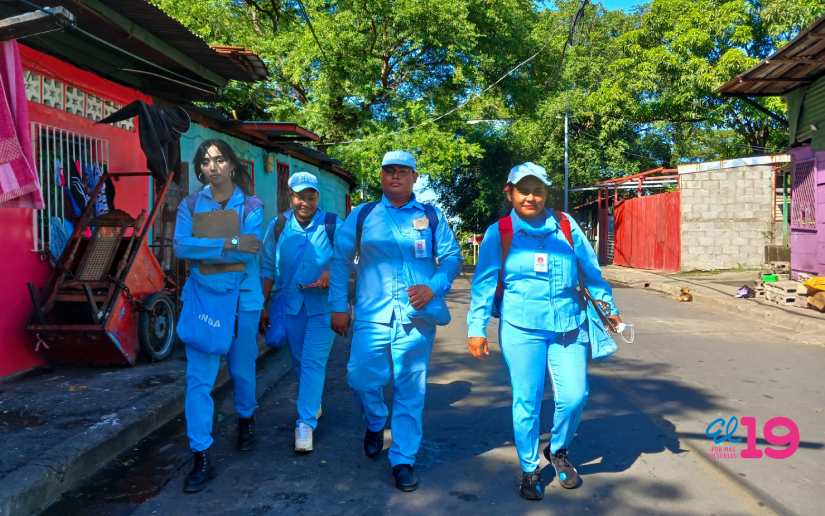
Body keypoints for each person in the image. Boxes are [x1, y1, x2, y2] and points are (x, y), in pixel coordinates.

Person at [466, 162, 621, 501]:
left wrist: (608, 308)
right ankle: (529, 466)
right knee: (527, 400)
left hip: (569, 324)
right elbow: (483, 284)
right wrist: (476, 329)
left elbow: (591, 273)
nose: (531, 197)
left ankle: (559, 449)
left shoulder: (566, 227)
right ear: (510, 193)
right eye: (524, 190)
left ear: (546, 193)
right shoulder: (501, 232)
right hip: (521, 328)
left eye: (537, 190)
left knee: (575, 395)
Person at [329, 150, 461, 492]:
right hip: (372, 314)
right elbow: (341, 260)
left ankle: (403, 458)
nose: (396, 176)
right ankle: (375, 421)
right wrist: (338, 305)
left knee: (410, 387)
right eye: (389, 171)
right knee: (360, 378)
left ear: (415, 177)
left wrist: (432, 288)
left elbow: (450, 258)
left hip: (415, 317)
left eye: (403, 171)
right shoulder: (363, 215)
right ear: (381, 176)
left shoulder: (431, 216)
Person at [173, 139, 264, 493]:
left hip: (243, 299)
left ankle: (246, 419)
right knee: (199, 379)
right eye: (206, 161)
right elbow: (181, 246)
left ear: (231, 165)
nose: (213, 166)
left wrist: (208, 248)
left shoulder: (252, 205)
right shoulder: (190, 204)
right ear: (200, 169)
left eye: (220, 159)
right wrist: (227, 243)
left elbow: (251, 249)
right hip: (204, 299)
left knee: (242, 369)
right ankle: (201, 454)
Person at [261, 171, 340, 453]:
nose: (305, 202)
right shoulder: (279, 226)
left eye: (311, 196)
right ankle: (313, 402)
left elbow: (349, 260)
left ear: (318, 196)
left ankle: (305, 424)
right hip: (290, 306)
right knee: (298, 361)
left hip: (324, 307)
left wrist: (331, 273)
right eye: (299, 196)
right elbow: (268, 267)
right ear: (290, 196)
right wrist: (263, 306)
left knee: (312, 362)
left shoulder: (331, 224)